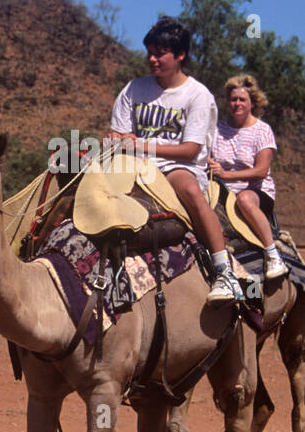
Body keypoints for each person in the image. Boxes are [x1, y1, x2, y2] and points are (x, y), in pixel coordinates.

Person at [108, 17, 236, 303]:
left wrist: (140, 144)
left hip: (179, 167)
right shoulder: (134, 89)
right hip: (135, 165)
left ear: (180, 55)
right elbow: (119, 132)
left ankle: (224, 269)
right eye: (149, 52)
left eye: (160, 53)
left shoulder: (197, 95)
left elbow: (190, 149)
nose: (152, 59)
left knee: (188, 189)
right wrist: (116, 140)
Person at [210, 74, 285, 278]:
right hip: (221, 192)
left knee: (244, 200)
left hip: (255, 192)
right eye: (233, 99)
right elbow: (207, 157)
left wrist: (225, 173)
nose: (237, 104)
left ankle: (272, 254)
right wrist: (210, 164)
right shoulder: (218, 129)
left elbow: (261, 171)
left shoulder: (262, 131)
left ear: (252, 102)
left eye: (242, 99)